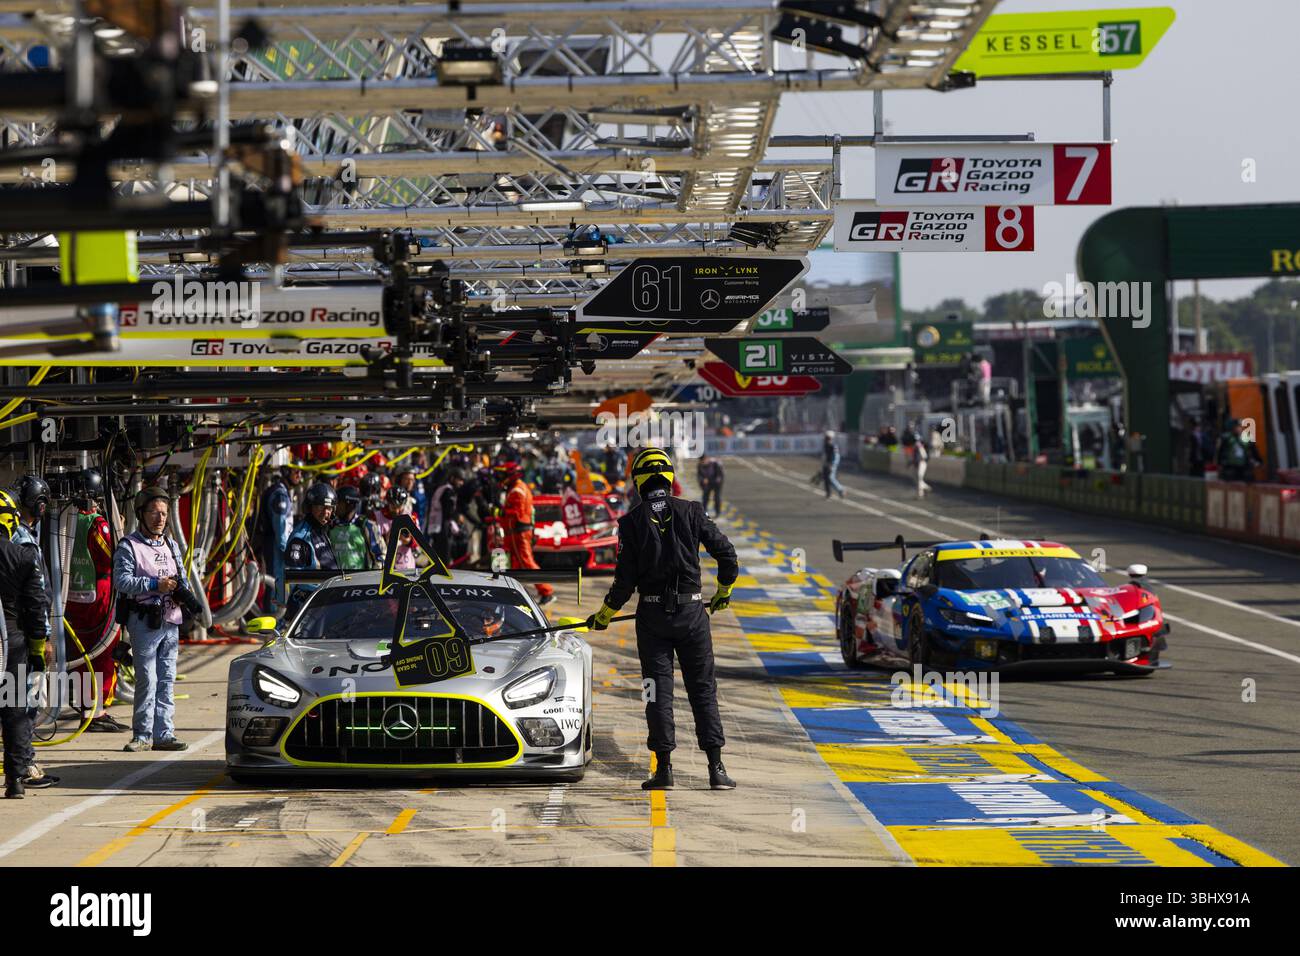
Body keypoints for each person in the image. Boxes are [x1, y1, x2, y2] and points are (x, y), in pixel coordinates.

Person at [585, 448, 738, 791]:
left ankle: (664, 771)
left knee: (656, 693)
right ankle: (717, 769)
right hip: (693, 614)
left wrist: (604, 616)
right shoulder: (693, 511)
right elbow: (728, 557)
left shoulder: (630, 523)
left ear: (638, 481)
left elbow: (624, 581)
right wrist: (723, 592)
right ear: (669, 478)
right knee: (703, 691)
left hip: (652, 617)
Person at [112, 487, 189, 753]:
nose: (160, 518)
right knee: (147, 679)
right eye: (154, 512)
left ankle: (164, 734)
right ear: (141, 514)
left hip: (170, 621)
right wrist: (156, 584)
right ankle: (143, 735)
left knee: (167, 678)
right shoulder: (128, 545)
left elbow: (183, 576)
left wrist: (185, 596)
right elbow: (121, 581)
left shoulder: (171, 545)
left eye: (164, 513)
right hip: (144, 621)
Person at [63, 469, 128, 732]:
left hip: (70, 595)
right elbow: (111, 555)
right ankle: (97, 712)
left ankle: (87, 708)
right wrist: (118, 527)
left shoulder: (64, 518)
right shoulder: (96, 523)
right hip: (98, 595)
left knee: (80, 653)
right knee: (102, 652)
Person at [0, 490, 55, 797]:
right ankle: (16, 780)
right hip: (13, 640)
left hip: (10, 636)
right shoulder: (23, 555)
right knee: (15, 709)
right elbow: (36, 606)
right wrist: (38, 650)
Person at [496, 461, 554, 606]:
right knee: (513, 564)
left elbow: (516, 513)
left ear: (511, 475)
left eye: (503, 474)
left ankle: (546, 592)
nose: (500, 477)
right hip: (514, 532)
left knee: (526, 562)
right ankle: (512, 592)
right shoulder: (515, 488)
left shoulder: (517, 490)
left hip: (519, 532)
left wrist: (498, 512)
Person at [283, 481, 340, 617]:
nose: (326, 513)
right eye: (321, 507)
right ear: (310, 507)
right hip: (309, 609)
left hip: (327, 603)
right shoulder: (301, 537)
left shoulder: (322, 530)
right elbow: (294, 580)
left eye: (329, 508)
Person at [257, 466, 295, 615]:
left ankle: (276, 622)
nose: (299, 475)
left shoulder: (281, 492)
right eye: (296, 472)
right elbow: (280, 525)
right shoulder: (280, 495)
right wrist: (286, 549)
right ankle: (274, 624)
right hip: (276, 547)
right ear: (285, 473)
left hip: (276, 545)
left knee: (277, 585)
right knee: (275, 584)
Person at [329, 484, 384, 571]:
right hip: (336, 581)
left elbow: (380, 556)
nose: (336, 507)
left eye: (340, 503)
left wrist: (373, 579)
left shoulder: (366, 525)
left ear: (350, 505)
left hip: (360, 581)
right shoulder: (331, 526)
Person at [906, 433, 931, 499]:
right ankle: (926, 487)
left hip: (921, 463)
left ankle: (920, 494)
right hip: (917, 463)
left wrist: (917, 461)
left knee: (919, 478)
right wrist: (911, 463)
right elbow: (914, 457)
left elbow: (923, 456)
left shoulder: (919, 445)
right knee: (917, 479)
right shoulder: (915, 446)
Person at [822, 431, 845, 499]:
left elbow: (836, 456)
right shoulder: (825, 445)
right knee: (826, 479)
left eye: (828, 438)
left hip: (831, 464)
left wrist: (832, 465)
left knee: (830, 478)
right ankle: (828, 493)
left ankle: (841, 489)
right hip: (826, 464)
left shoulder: (833, 446)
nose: (826, 439)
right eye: (826, 438)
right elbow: (825, 456)